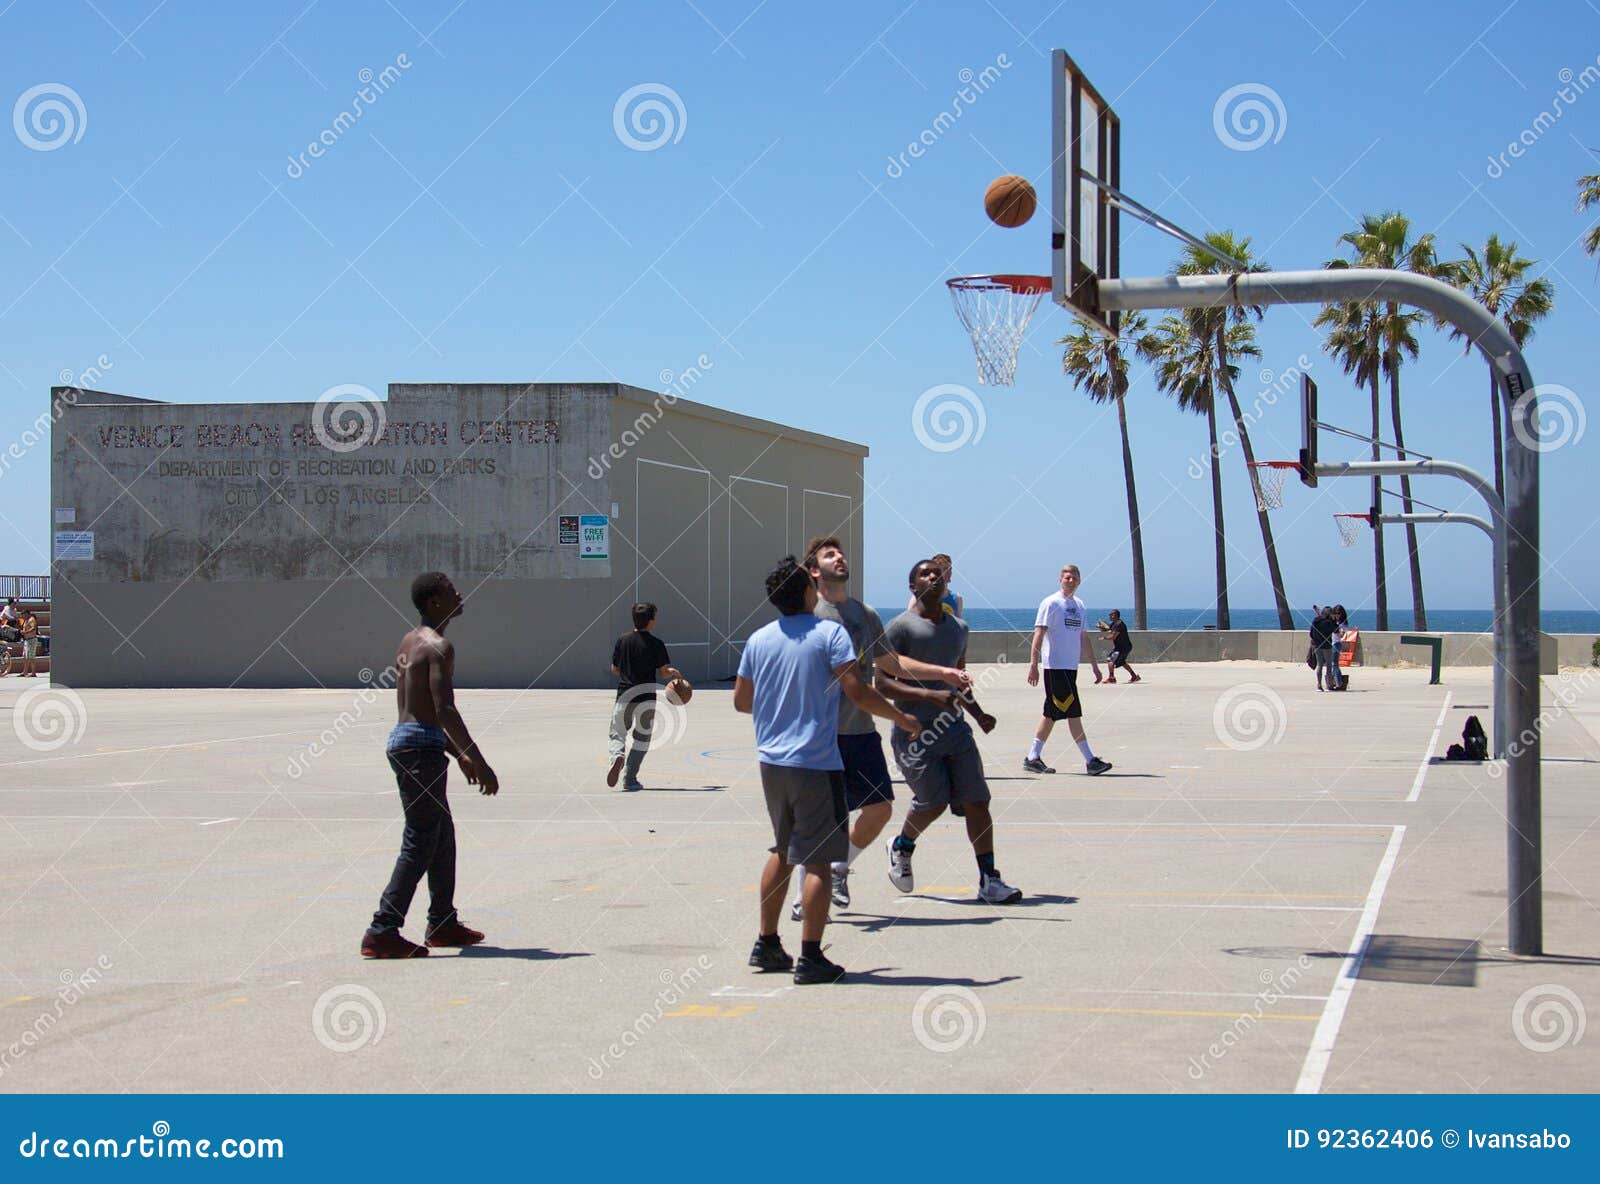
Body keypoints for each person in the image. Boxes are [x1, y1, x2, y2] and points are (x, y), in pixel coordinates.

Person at [735, 556, 919, 985]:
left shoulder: (759, 639)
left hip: (772, 762)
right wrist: (900, 717)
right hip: (815, 762)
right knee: (817, 860)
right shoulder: (828, 634)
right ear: (806, 591)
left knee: (783, 850)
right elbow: (857, 691)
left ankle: (766, 943)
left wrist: (781, 703)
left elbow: (742, 701)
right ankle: (811, 957)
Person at [788, 536, 971, 920]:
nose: (840, 557)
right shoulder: (809, 614)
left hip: (859, 730)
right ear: (814, 570)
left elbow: (891, 663)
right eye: (829, 554)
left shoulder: (865, 613)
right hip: (819, 735)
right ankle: (807, 895)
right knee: (824, 819)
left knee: (879, 809)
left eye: (841, 552)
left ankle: (839, 867)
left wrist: (942, 673)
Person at [362, 571, 499, 959]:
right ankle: (382, 930)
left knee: (441, 836)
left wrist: (458, 755)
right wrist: (480, 761)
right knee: (421, 838)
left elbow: (420, 711)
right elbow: (444, 709)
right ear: (434, 601)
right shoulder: (440, 646)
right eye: (451, 590)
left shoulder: (409, 641)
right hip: (420, 751)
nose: (459, 593)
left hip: (411, 743)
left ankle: (442, 922)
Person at [879, 558, 1021, 905]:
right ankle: (901, 846)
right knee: (933, 803)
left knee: (978, 800)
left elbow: (958, 680)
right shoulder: (899, 627)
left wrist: (978, 713)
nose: (933, 576)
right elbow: (881, 683)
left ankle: (989, 878)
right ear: (913, 587)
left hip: (954, 729)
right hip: (914, 731)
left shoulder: (959, 629)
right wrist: (928, 695)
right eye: (924, 573)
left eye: (937, 573)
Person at [1024, 564, 1112, 775]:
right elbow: (1038, 634)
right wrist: (1033, 664)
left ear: (1079, 581)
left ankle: (1033, 757)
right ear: (1060, 580)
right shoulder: (1051, 603)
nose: (1070, 581)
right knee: (1071, 712)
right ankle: (1090, 761)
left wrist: (1094, 666)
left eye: (1074, 578)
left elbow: (1083, 637)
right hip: (1055, 667)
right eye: (1066, 577)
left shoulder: (1079, 605)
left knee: (1053, 712)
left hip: (1070, 668)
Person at [607, 602, 683, 791]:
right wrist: (672, 672)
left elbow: (614, 669)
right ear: (650, 621)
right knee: (641, 739)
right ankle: (630, 779)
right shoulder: (657, 644)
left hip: (625, 694)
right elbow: (663, 673)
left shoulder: (622, 640)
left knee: (618, 732)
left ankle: (617, 756)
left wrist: (628, 670)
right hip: (646, 697)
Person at [906, 552, 964, 619]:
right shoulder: (920, 597)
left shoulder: (957, 599)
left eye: (950, 569)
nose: (949, 572)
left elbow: (959, 622)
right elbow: (909, 619)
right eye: (944, 569)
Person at [1098, 609, 1140, 684]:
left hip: (1122, 647)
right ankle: (1134, 676)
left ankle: (1111, 678)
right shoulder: (1114, 624)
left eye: (1111, 614)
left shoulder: (1119, 624)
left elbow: (1113, 637)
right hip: (1125, 647)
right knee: (1122, 662)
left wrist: (1104, 638)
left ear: (1115, 615)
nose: (1109, 616)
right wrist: (1102, 629)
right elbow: (1108, 628)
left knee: (1110, 659)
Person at [1310, 605, 1340, 691]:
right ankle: (1329, 685)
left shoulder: (1315, 620)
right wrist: (1334, 620)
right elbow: (1336, 630)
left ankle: (1319, 685)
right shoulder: (1329, 622)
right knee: (1329, 665)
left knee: (1319, 665)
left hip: (1317, 645)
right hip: (1327, 646)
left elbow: (1311, 634)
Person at [18, 607, 39, 678]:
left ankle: (33, 673)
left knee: (31, 657)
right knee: (25, 657)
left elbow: (33, 628)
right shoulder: (26, 620)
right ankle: (25, 672)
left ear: (27, 614)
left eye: (23, 615)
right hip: (26, 640)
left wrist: (25, 632)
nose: (23, 617)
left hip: (32, 640)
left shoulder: (31, 619)